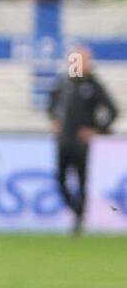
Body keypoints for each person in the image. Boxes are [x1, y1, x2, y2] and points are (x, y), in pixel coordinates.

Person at [48, 45, 118, 234]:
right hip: (63, 140)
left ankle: (79, 218)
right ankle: (77, 211)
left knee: (81, 180)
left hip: (81, 142)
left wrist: (97, 130)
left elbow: (113, 111)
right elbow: (51, 106)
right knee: (60, 180)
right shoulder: (63, 84)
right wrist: (55, 122)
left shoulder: (93, 85)